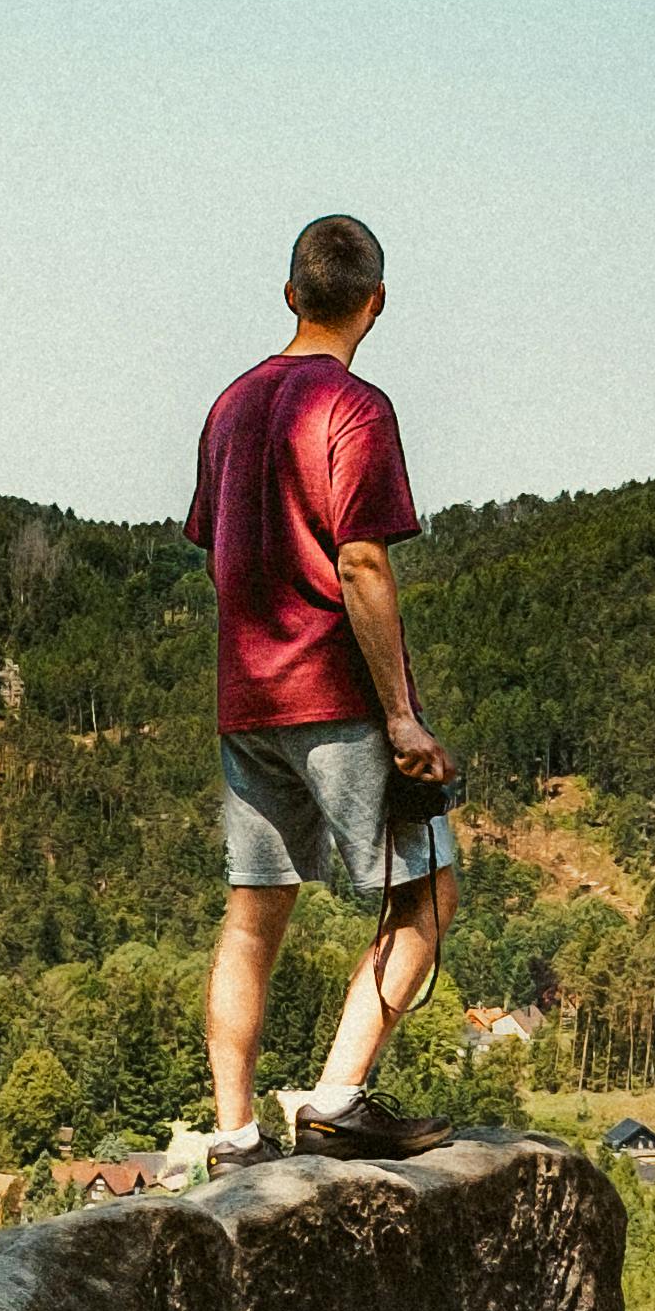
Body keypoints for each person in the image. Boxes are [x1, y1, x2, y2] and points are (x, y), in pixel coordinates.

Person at [188, 211, 457, 1156]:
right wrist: (401, 716)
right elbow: (361, 565)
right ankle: (338, 1101)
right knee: (424, 897)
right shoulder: (356, 408)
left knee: (253, 916)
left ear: (290, 292)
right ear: (375, 304)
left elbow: (220, 556)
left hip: (245, 699)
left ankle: (232, 1135)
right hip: (337, 701)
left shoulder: (228, 407)